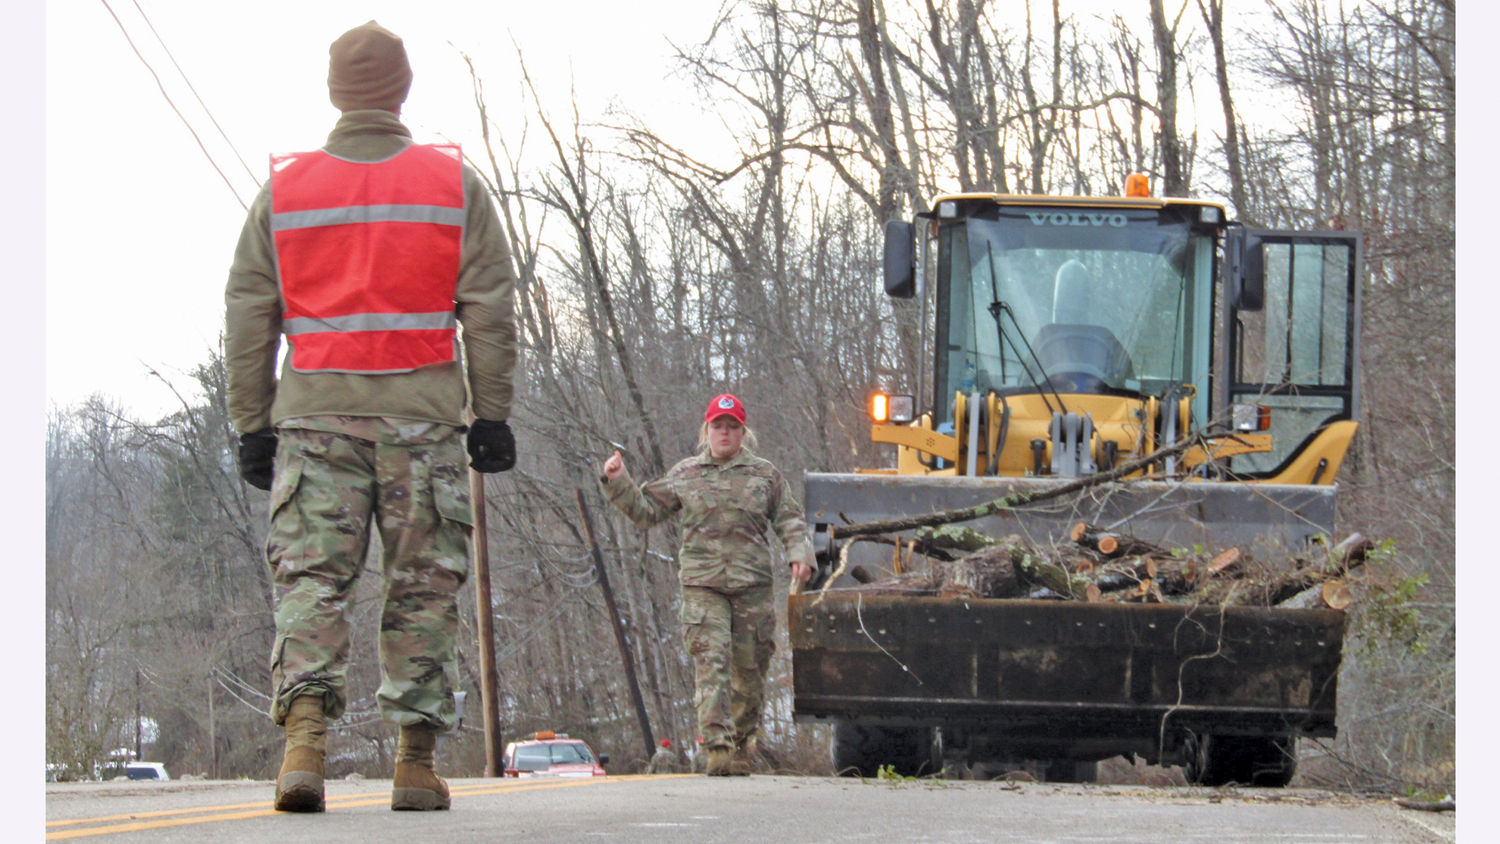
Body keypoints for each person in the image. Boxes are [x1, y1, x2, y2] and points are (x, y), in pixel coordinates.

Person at [224, 21, 518, 813]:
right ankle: (415, 765)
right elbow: (489, 307)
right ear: (402, 89)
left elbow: (250, 310)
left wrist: (252, 422)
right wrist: (491, 415)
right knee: (423, 586)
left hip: (317, 425)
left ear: (335, 92)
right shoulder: (452, 186)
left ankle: (304, 751)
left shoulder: (287, 192)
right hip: (422, 426)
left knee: (313, 583)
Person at [600, 395, 814, 776]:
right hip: (704, 586)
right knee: (711, 660)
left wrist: (799, 553)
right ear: (707, 431)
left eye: (732, 426)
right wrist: (618, 481)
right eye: (718, 426)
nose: (725, 433)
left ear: (743, 432)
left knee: (750, 670)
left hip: (752, 586)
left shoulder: (765, 475)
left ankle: (742, 745)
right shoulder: (686, 474)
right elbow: (647, 512)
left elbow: (790, 519)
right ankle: (716, 747)